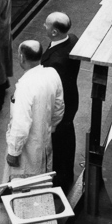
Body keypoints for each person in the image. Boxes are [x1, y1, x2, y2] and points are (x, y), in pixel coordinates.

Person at [4, 41, 64, 181]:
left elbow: (21, 123)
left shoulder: (25, 86)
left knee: (23, 187)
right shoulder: (52, 73)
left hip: (26, 150)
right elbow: (59, 106)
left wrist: (14, 152)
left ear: (21, 57)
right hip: (45, 141)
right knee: (42, 180)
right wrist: (50, 127)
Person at [41, 12, 80, 194]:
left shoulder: (56, 63)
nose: (43, 25)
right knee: (67, 139)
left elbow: (52, 90)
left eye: (47, 25)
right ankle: (67, 175)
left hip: (62, 106)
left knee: (59, 144)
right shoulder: (71, 39)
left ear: (55, 32)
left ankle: (60, 182)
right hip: (72, 98)